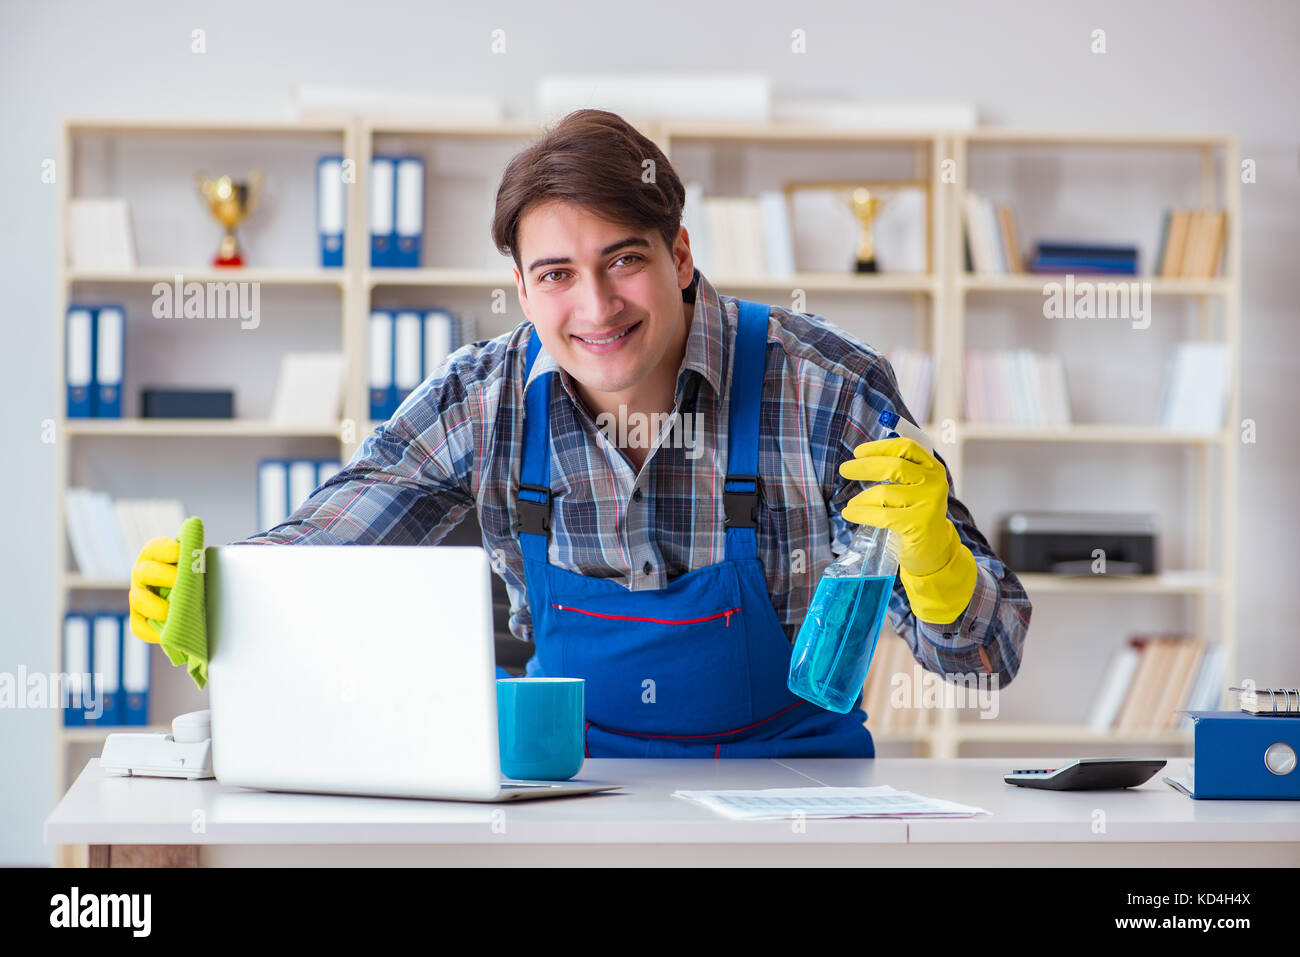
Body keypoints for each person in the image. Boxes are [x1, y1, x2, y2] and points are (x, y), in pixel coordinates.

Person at [130, 109, 1031, 758]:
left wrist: (937, 561)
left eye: (624, 261)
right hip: (567, 805)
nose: (595, 307)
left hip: (794, 811)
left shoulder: (825, 389)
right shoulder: (481, 402)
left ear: (680, 255)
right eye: (557, 274)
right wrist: (222, 593)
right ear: (522, 289)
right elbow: (333, 543)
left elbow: (989, 661)